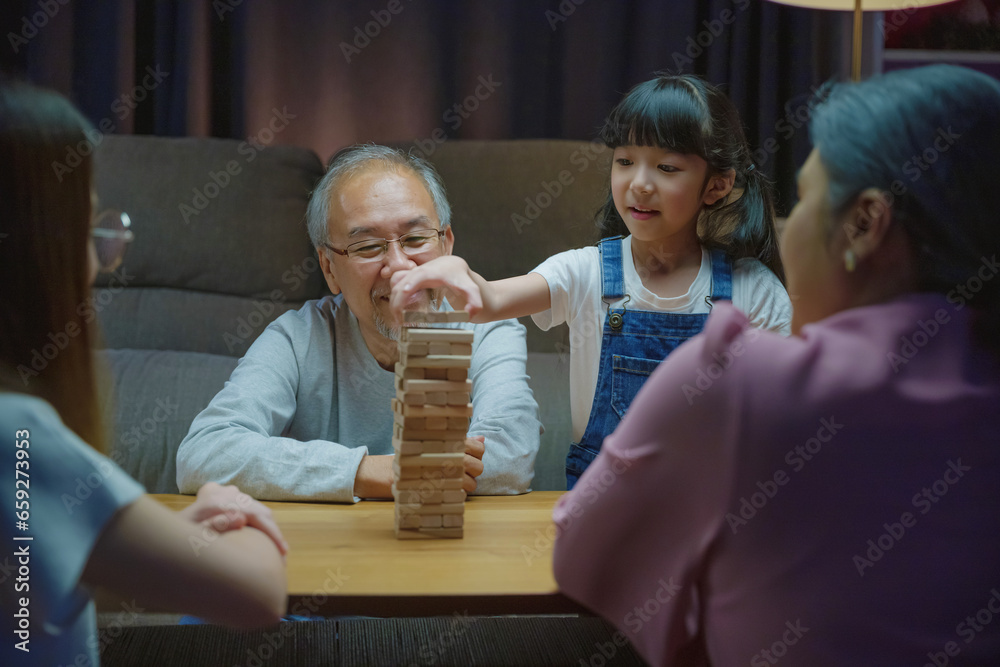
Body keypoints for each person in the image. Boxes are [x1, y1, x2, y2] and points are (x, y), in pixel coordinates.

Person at [551, 64, 1000, 665]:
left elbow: (582, 557)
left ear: (864, 225)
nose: (786, 230)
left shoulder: (734, 377)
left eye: (805, 200)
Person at [0, 80, 288, 666]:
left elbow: (31, 588)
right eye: (89, 231)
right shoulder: (17, 433)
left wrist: (165, 537)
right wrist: (238, 509)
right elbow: (258, 594)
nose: (102, 263)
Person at [390, 74, 791, 488]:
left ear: (717, 185)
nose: (639, 184)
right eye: (625, 161)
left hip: (711, 507)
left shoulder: (754, 293)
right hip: (598, 504)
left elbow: (776, 425)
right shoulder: (585, 273)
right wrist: (456, 274)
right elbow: (490, 299)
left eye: (666, 167)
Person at [175, 144, 540, 503]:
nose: (399, 266)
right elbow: (204, 453)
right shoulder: (296, 340)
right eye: (368, 247)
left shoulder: (488, 328)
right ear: (329, 269)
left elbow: (511, 456)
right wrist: (374, 472)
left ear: (446, 245)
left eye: (415, 239)